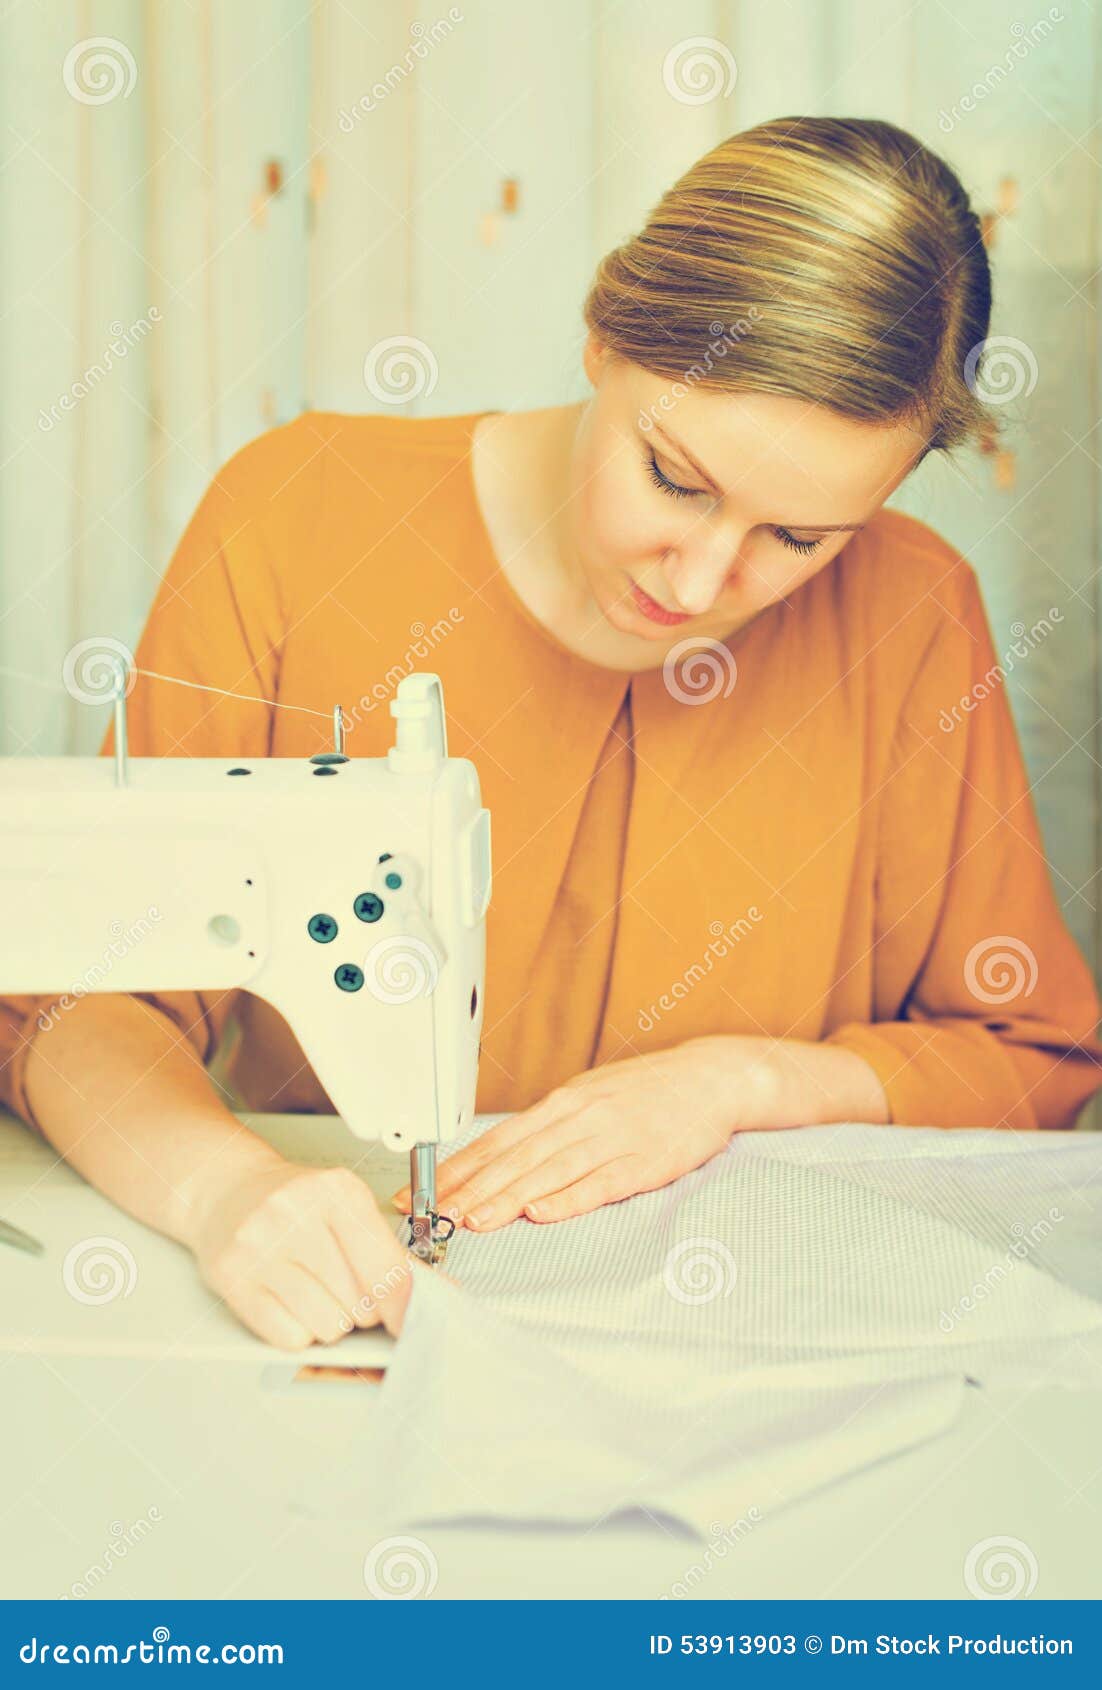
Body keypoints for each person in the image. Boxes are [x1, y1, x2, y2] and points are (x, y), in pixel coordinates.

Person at [3, 116, 1100, 1352]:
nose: (695, 588)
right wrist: (223, 1190)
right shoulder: (296, 519)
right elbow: (75, 1002)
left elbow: (1027, 1056)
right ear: (601, 332)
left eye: (798, 539)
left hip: (741, 1343)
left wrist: (736, 1084)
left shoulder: (910, 611)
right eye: (674, 480)